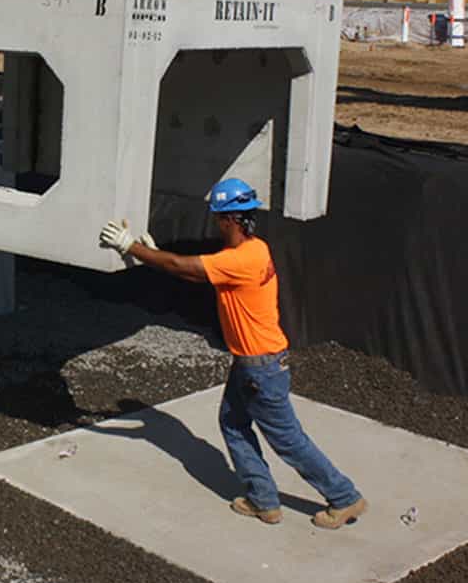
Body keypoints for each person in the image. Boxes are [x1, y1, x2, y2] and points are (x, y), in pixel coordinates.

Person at [99, 178, 367, 530]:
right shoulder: (257, 250)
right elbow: (197, 273)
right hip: (254, 364)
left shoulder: (238, 260)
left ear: (228, 219)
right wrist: (154, 256)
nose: (215, 223)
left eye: (217, 217)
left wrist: (131, 246)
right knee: (233, 423)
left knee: (288, 441)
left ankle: (344, 497)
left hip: (261, 369)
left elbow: (184, 267)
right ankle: (263, 501)